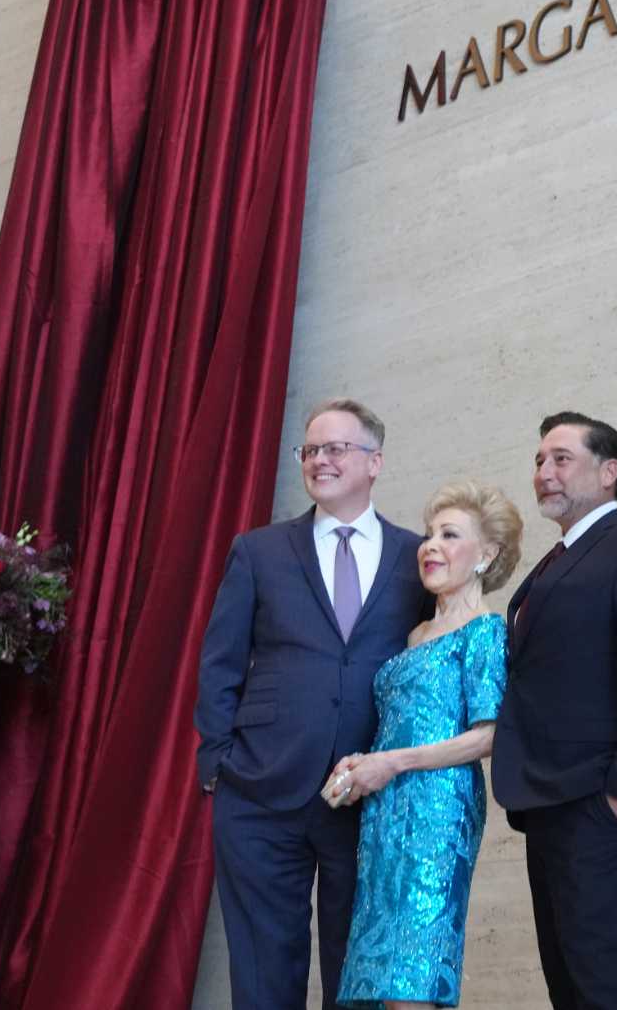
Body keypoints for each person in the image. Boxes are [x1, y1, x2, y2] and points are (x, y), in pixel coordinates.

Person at [195, 399, 432, 1010]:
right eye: (310, 450)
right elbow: (219, 663)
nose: (319, 460)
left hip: (369, 797)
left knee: (356, 980)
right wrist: (217, 763)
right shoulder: (258, 551)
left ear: (375, 461)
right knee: (263, 976)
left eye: (336, 448)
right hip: (258, 792)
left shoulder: (417, 558)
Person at [491, 411, 617, 1010]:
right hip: (549, 802)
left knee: (600, 985)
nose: (544, 472)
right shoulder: (552, 563)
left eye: (561, 459)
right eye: (538, 461)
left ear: (609, 472)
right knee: (570, 986)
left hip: (601, 803)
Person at [323, 481, 522, 1010]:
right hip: (385, 811)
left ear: (487, 554)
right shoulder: (413, 635)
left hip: (438, 808)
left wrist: (391, 762)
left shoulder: (485, 631)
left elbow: (490, 735)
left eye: (449, 535)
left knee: (413, 975)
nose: (429, 545)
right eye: (430, 534)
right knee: (382, 980)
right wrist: (365, 762)